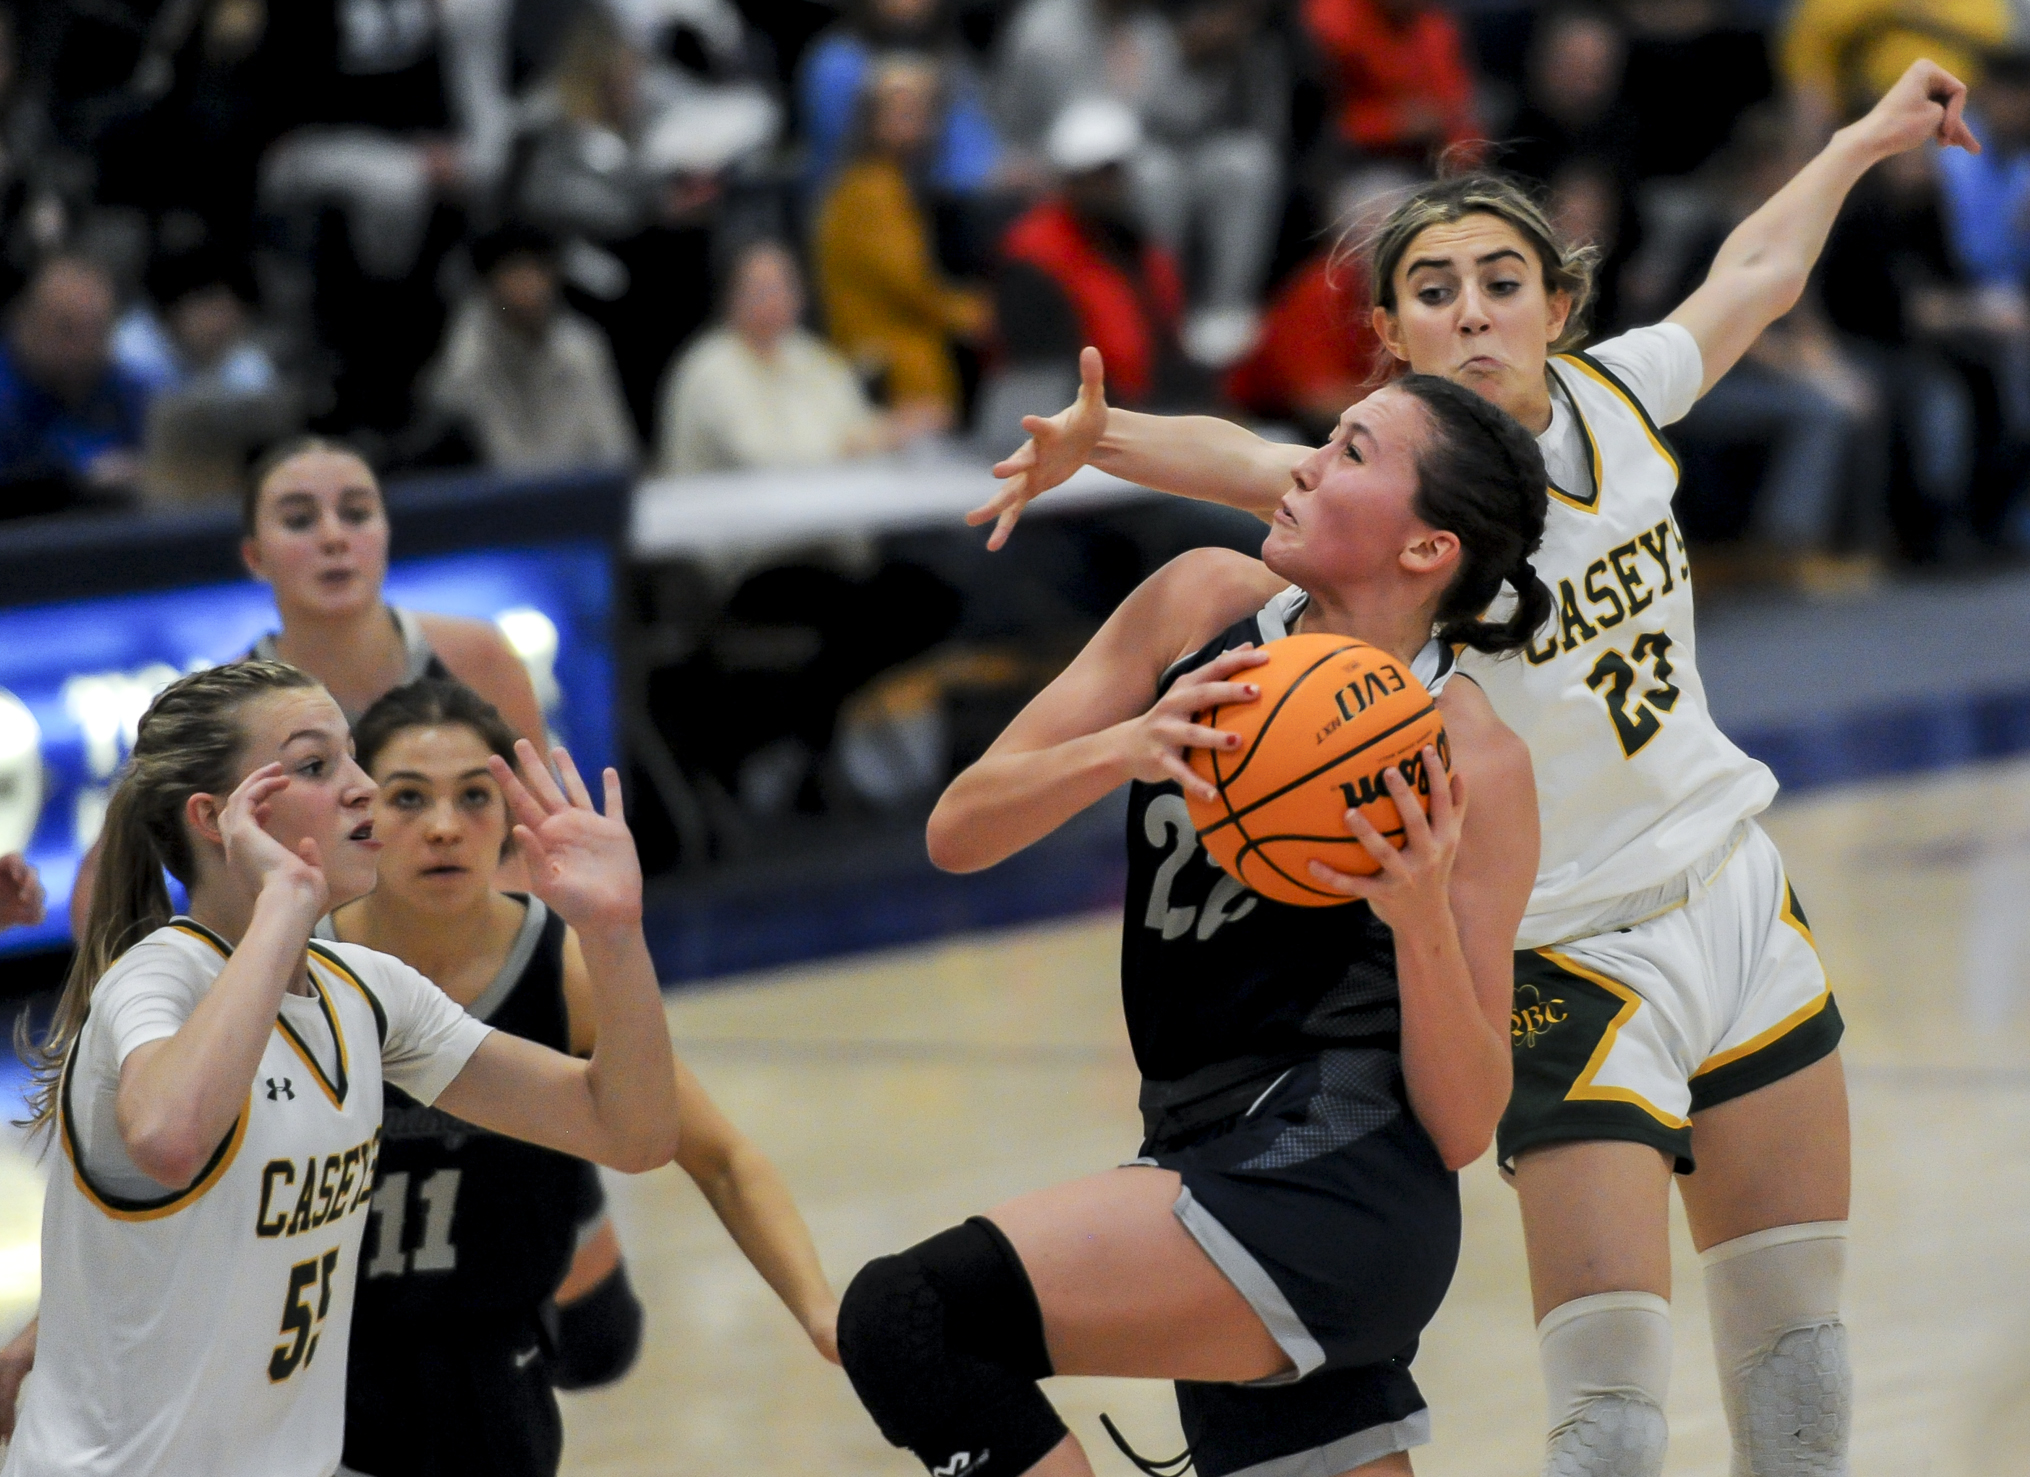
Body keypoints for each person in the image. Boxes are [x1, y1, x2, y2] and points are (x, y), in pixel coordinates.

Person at [969, 58, 1978, 1477]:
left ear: (1558, 305)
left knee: (1794, 1343)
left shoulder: (1621, 400)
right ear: (1387, 334)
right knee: (1612, 1411)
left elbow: (1752, 271)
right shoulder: (1388, 495)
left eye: (1501, 280)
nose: (1472, 309)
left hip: (1736, 895)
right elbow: (1235, 455)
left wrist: (1865, 138)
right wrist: (1104, 439)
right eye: (1432, 289)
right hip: (1559, 952)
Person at [838, 369, 1542, 1477]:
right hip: (1191, 1144)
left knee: (912, 1319)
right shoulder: (1199, 604)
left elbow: (1464, 1124)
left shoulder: (1470, 757)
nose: (1304, 463)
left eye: (1352, 453)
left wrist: (1416, 923)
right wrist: (1125, 745)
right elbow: (957, 829)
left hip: (1333, 1181)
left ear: (1425, 551)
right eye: (1326, 437)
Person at [3, 658, 680, 1476]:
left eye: (352, 757)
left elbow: (631, 1131)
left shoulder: (367, 991)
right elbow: (169, 1135)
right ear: (218, 819)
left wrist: (615, 935)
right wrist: (285, 903)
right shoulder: (156, 977)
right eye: (318, 765)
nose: (361, 786)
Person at [322, 678, 838, 1476]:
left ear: (508, 817)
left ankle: (575, 1189)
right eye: (409, 798)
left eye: (474, 797)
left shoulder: (561, 969)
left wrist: (819, 1310)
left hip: (492, 1344)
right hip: (327, 1355)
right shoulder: (295, 964)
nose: (445, 827)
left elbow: (724, 1159)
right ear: (360, 810)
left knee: (600, 1345)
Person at [66, 435, 544, 937]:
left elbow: (541, 837)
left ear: (385, 534)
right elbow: (100, 884)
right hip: (311, 987)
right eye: (299, 520)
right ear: (254, 557)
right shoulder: (222, 708)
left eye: (357, 513)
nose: (334, 537)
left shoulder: (479, 657)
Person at [814, 54, 993, 432]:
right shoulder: (872, 192)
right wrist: (972, 312)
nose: (920, 123)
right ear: (869, 118)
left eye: (924, 111)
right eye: (903, 111)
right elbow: (910, 285)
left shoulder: (885, 186)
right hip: (893, 373)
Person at [657, 238, 930, 475]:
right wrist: (865, 443)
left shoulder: (813, 356)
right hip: (728, 527)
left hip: (812, 518)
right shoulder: (709, 366)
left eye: (782, 287)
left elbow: (854, 424)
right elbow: (764, 458)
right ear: (731, 297)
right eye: (759, 290)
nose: (773, 300)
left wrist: (897, 425)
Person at [422, 223, 637, 474]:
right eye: (515, 271)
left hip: (581, 497)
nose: (531, 285)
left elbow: (616, 451)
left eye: (539, 269)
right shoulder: (464, 365)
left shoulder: (582, 347)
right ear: (488, 283)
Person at [0, 254, 154, 516]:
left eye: (97, 330)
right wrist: (79, 481)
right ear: (23, 325)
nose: (84, 348)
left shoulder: (129, 391)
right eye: (67, 330)